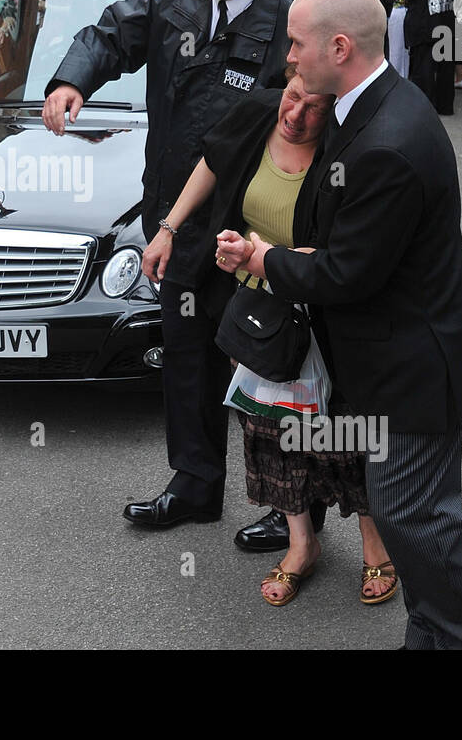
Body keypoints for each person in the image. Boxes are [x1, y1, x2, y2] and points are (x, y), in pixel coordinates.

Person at [234, 0, 462, 648]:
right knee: (413, 519)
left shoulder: (385, 138)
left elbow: (346, 272)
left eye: (296, 45)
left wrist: (266, 259)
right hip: (404, 361)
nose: (288, 58)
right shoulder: (370, 103)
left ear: (339, 46)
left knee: (418, 521)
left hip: (412, 374)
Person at [43, 0, 298, 541]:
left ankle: (289, 504)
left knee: (265, 364)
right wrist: (71, 78)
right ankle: (194, 483)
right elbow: (108, 33)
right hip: (176, 222)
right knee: (185, 357)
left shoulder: (289, 22)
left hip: (252, 232)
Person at [144, 70, 399, 605]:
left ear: (335, 108)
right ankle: (301, 544)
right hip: (259, 310)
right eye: (292, 97)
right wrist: (169, 229)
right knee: (272, 431)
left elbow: (350, 256)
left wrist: (267, 257)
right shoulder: (258, 110)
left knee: (345, 432)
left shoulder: (349, 146)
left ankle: (377, 548)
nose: (295, 115)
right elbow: (213, 162)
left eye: (313, 107)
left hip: (329, 314)